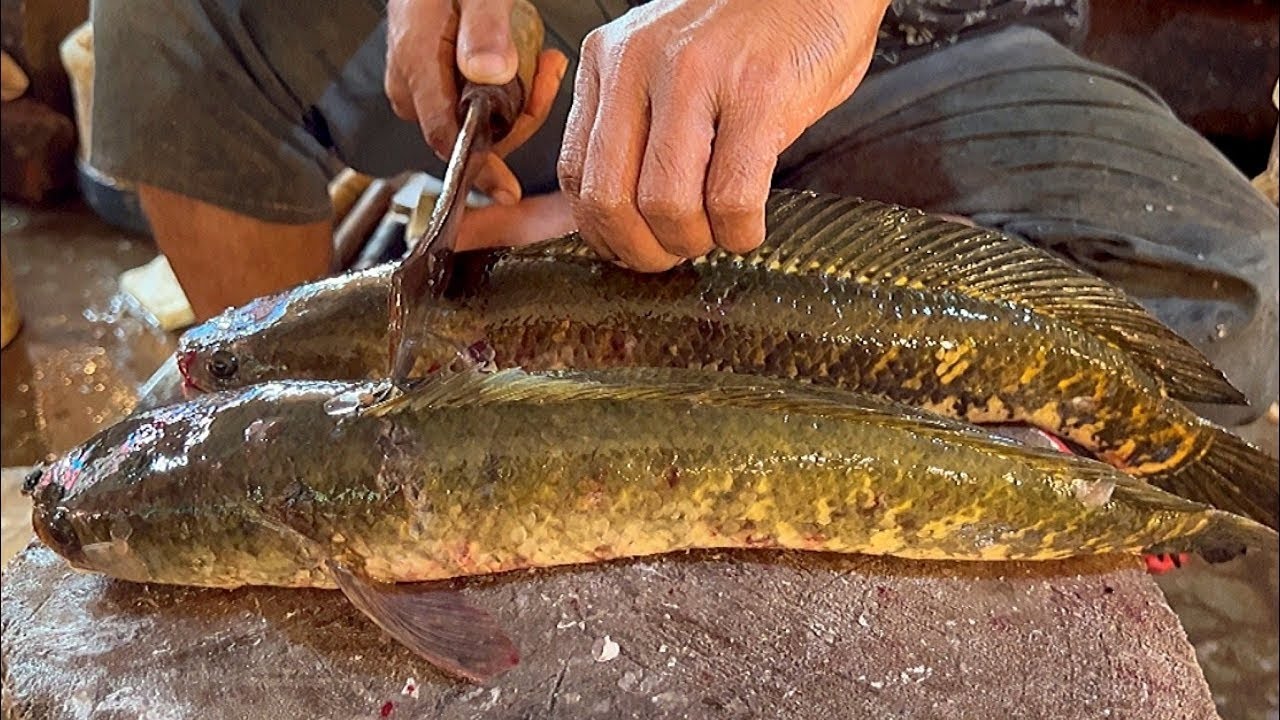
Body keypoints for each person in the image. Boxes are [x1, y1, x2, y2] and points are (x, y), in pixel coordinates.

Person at [89, 0, 1277, 423]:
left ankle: (651, 248)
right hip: (593, 46)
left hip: (933, 52)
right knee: (175, 17)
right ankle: (320, 430)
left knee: (1226, 306)